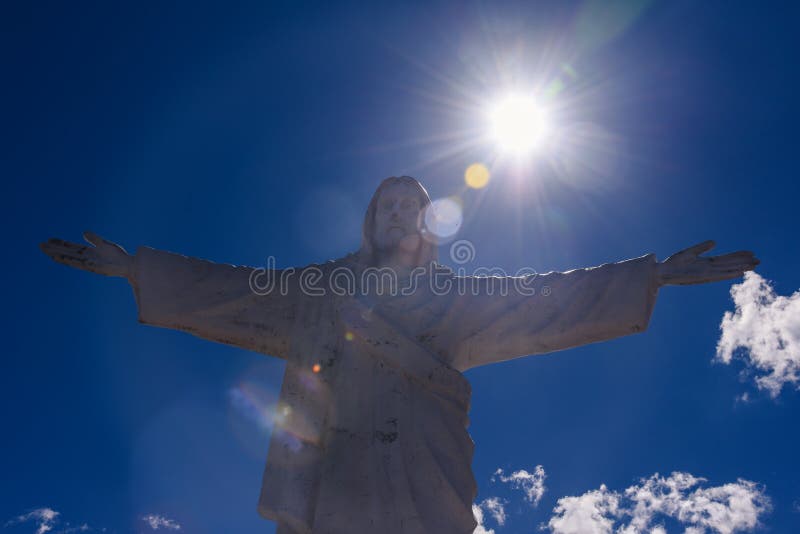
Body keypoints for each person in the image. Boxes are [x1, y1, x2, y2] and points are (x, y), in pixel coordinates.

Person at [40, 176, 758, 534]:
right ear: (370, 220)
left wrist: (651, 275)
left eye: (411, 204)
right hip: (341, 477)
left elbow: (547, 300)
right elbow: (232, 293)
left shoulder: (460, 297)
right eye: (386, 203)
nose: (398, 211)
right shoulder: (320, 290)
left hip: (425, 472)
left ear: (427, 226)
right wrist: (139, 269)